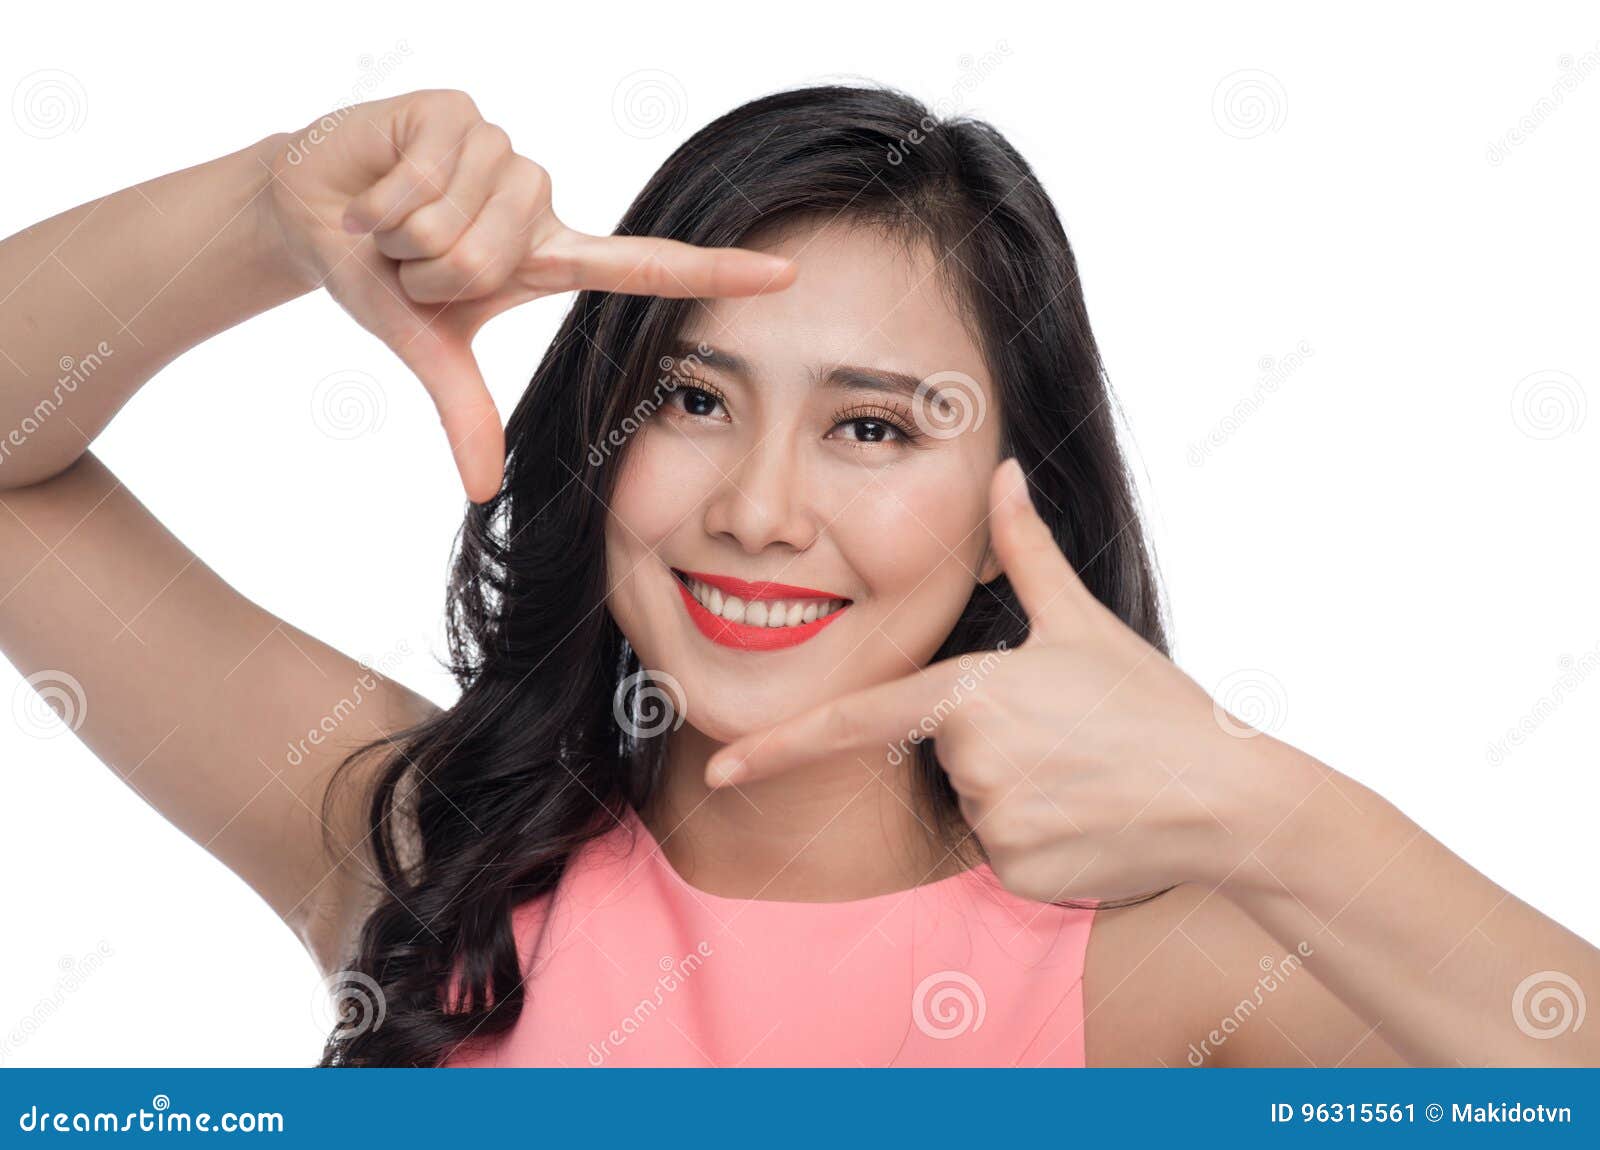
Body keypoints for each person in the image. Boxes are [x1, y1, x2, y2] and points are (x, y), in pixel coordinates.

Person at [1, 86, 1594, 1068]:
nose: (760, 509)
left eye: (873, 427)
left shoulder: (1166, 966)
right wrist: (272, 213)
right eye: (695, 400)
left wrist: (1259, 803)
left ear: (1002, 508)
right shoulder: (421, 851)